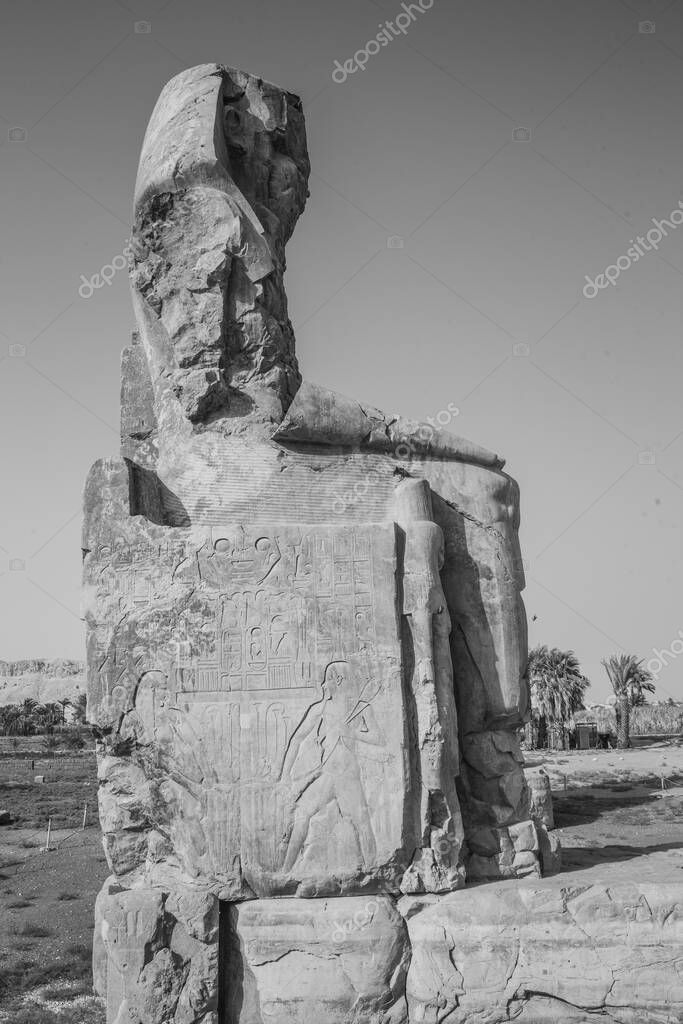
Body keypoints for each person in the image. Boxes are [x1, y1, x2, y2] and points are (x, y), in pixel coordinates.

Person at [279, 661, 387, 872]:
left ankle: (373, 870)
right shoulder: (321, 708)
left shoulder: (362, 707)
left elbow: (379, 738)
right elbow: (297, 739)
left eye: (327, 679)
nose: (323, 685)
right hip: (328, 774)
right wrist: (285, 775)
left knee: (362, 821)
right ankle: (285, 871)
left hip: (348, 775)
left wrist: (351, 733)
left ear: (338, 680)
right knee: (302, 813)